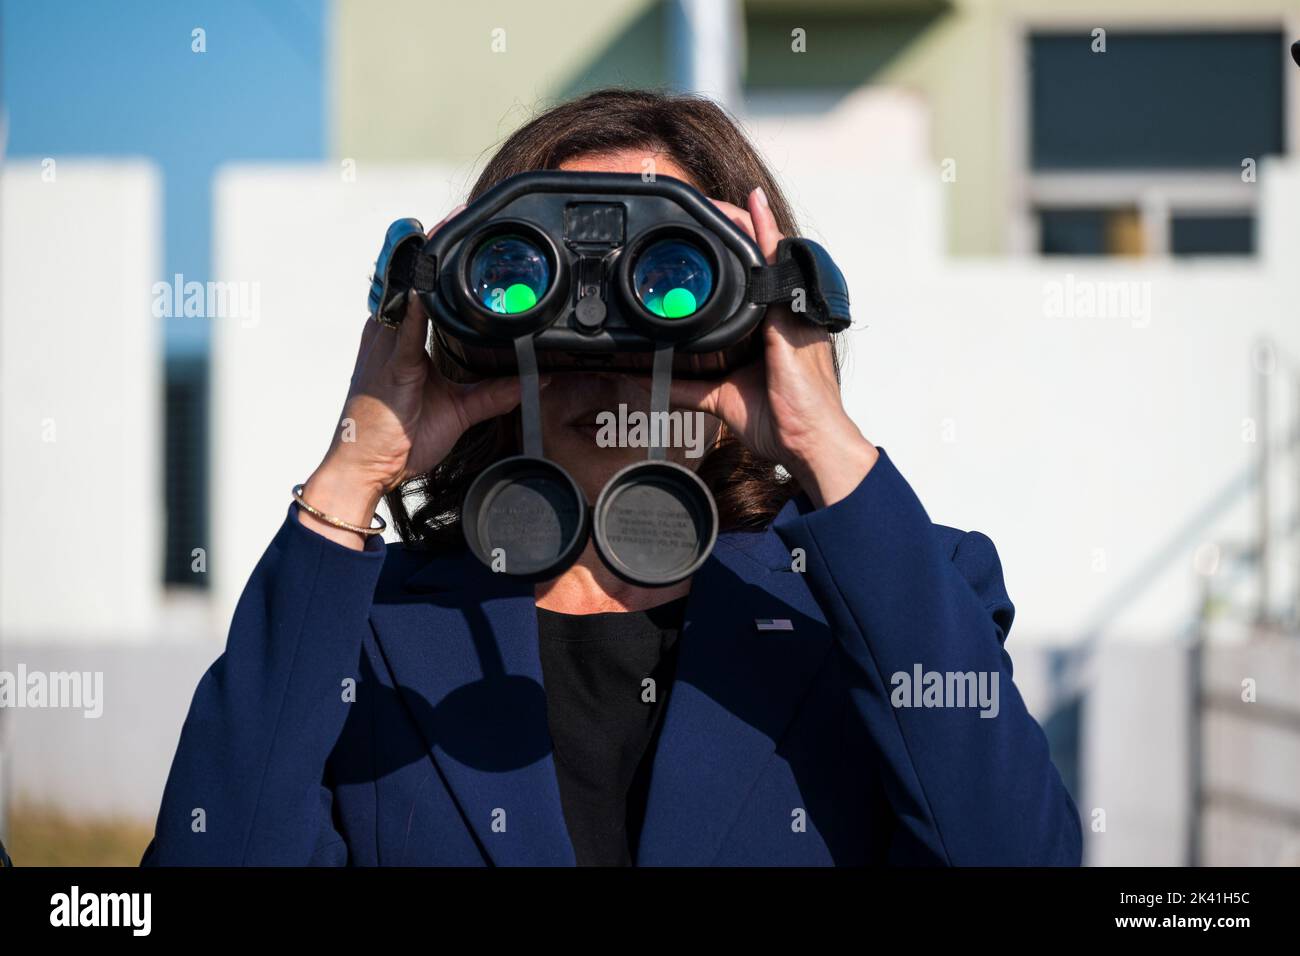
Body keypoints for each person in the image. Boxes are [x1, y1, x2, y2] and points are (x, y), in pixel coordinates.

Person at [143, 88, 1081, 867]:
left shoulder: (884, 603)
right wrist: (355, 472)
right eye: (534, 278)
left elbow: (1013, 852)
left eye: (670, 281)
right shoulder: (366, 631)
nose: (606, 344)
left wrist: (824, 444)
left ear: (753, 307)